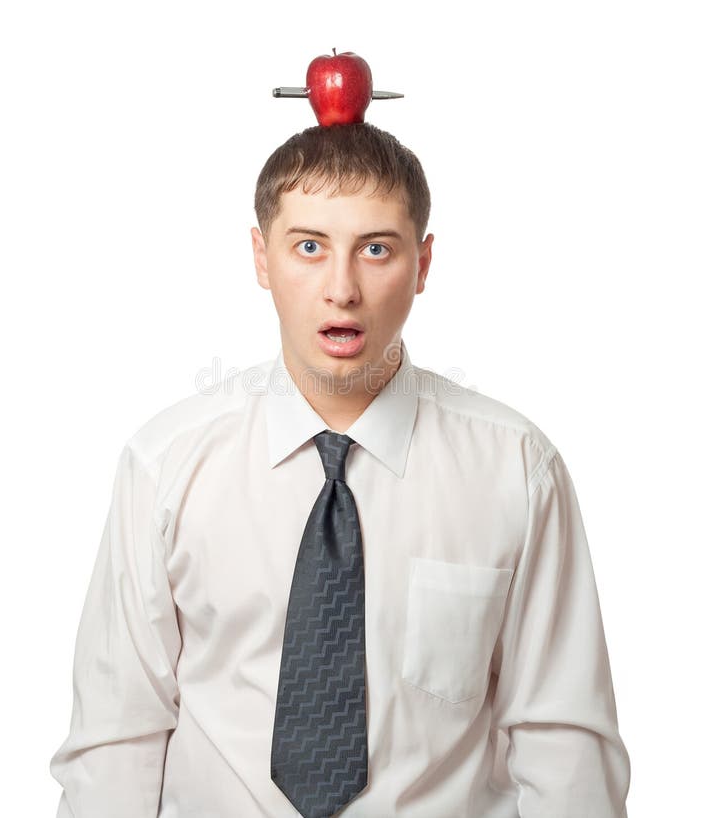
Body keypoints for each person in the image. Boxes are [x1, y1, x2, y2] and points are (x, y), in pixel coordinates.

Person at [50, 122, 631, 817]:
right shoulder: (167, 463)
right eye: (308, 247)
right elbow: (118, 739)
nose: (342, 288)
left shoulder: (514, 468)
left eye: (376, 249)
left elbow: (561, 739)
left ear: (422, 261)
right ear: (261, 257)